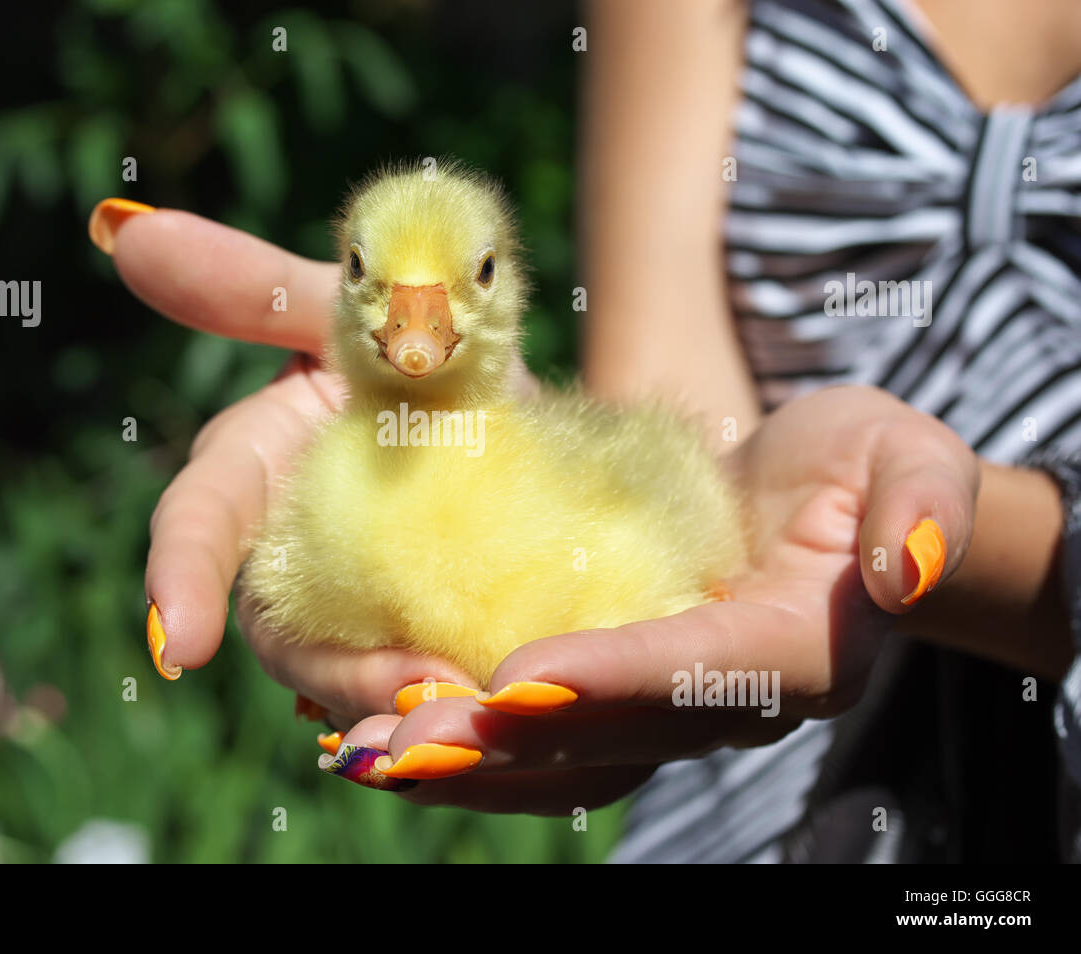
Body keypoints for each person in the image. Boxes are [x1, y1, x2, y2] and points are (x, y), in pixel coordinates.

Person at [86, 0, 1081, 860]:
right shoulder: (355, 466)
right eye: (372, 284)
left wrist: (938, 543)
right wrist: (761, 508)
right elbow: (667, 423)